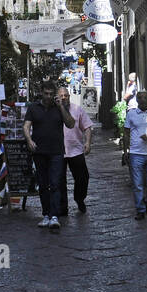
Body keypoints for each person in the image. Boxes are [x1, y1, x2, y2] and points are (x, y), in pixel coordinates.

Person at [23, 81, 75, 229]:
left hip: (56, 151)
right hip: (39, 151)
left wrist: (60, 107)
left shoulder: (60, 108)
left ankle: (54, 215)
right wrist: (29, 140)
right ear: (41, 92)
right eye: (46, 93)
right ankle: (46, 214)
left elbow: (71, 124)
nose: (48, 96)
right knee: (43, 184)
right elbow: (26, 126)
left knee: (56, 183)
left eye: (51, 94)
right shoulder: (33, 107)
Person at [124, 91, 147, 220]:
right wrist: (125, 151)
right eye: (141, 99)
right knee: (137, 184)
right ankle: (140, 210)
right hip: (136, 153)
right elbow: (126, 133)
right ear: (138, 101)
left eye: (145, 98)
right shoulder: (131, 114)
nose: (143, 101)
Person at [57, 85, 93, 215]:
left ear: (69, 96)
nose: (63, 98)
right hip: (58, 152)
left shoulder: (77, 109)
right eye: (61, 96)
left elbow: (87, 127)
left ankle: (79, 198)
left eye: (65, 95)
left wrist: (88, 142)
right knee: (60, 181)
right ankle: (63, 207)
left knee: (83, 178)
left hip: (75, 150)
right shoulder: (53, 111)